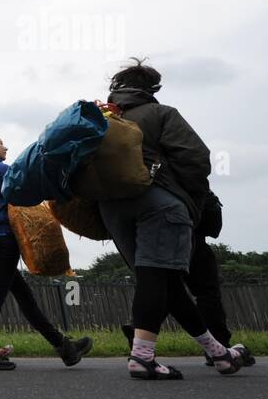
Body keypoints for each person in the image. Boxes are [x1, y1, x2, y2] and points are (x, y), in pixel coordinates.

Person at [97, 60, 252, 379]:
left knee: (166, 281)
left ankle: (219, 353)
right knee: (158, 278)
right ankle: (141, 357)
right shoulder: (160, 113)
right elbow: (196, 158)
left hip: (111, 208)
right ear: (151, 88)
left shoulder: (103, 119)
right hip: (159, 204)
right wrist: (188, 201)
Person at [0, 132, 93, 370]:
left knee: (25, 298)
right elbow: (27, 187)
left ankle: (64, 347)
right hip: (3, 240)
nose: (5, 147)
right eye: (0, 143)